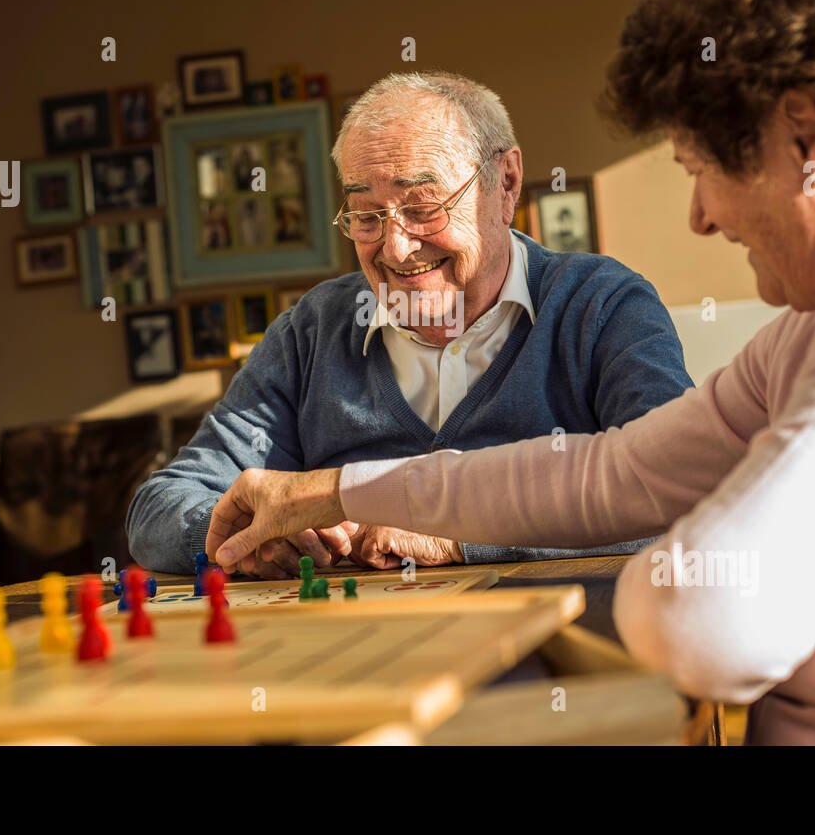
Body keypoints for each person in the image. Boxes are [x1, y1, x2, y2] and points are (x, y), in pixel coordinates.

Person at [206, 0, 815, 744]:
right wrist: (324, 492)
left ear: (806, 135)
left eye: (700, 170)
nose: (698, 217)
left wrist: (678, 551)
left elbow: (702, 617)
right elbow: (610, 470)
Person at [127, 71, 693, 578]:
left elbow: (682, 492)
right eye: (367, 216)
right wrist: (254, 530)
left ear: (507, 183)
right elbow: (158, 509)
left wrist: (458, 535)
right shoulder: (311, 333)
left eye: (424, 207)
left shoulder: (601, 308)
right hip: (368, 672)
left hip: (559, 668)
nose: (396, 248)